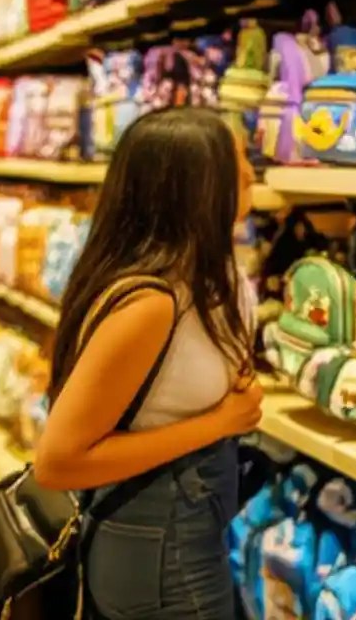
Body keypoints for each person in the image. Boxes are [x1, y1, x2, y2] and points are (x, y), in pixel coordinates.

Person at [34, 107, 264, 619]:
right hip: (160, 546)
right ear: (194, 188)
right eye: (235, 162)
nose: (249, 172)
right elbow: (57, 462)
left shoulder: (205, 274)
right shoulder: (151, 303)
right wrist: (220, 422)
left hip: (178, 535)